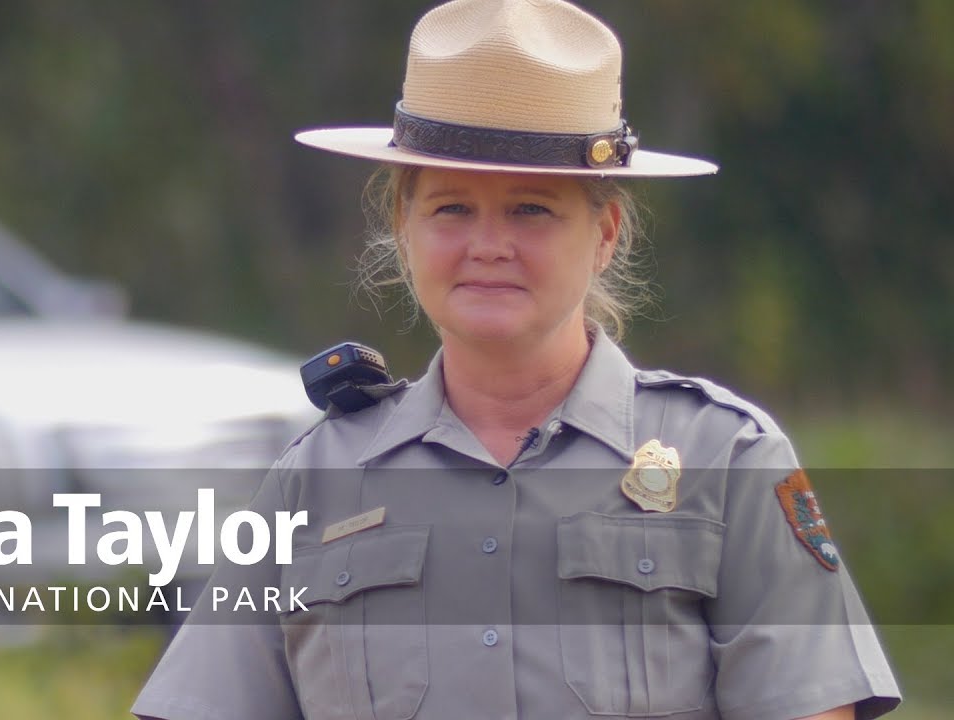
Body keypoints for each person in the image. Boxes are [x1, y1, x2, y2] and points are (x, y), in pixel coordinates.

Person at [132, 0, 901, 718]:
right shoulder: (315, 477)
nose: (488, 245)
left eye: (532, 208)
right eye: (451, 208)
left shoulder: (725, 458)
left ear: (604, 234)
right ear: (404, 227)